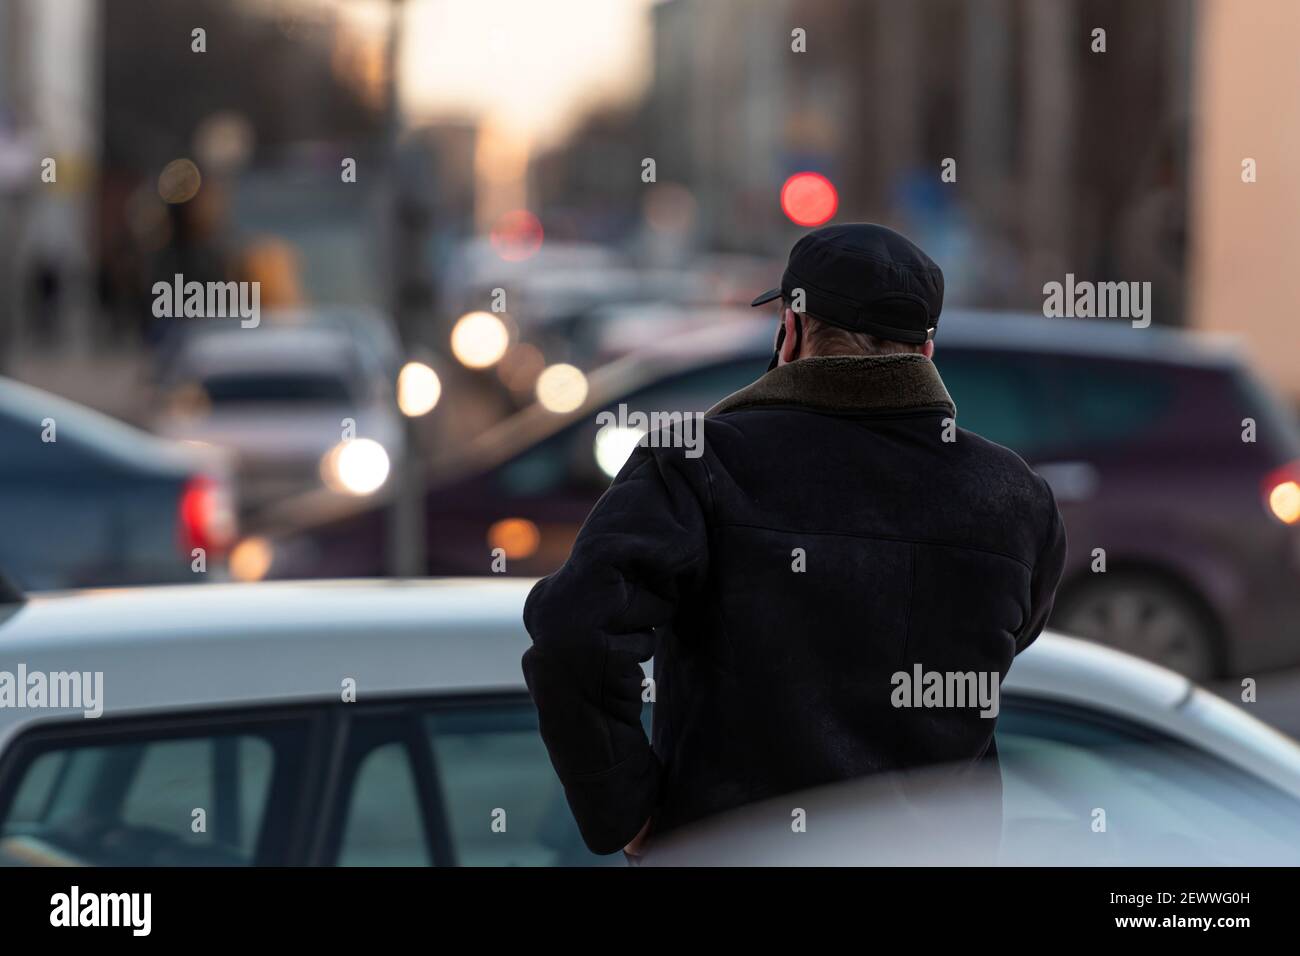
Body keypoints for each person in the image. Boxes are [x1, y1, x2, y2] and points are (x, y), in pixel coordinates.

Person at [521, 222, 1067, 858]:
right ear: (925, 351)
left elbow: (572, 632)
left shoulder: (700, 462)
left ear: (794, 328)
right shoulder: (1015, 497)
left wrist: (627, 811)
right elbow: (1014, 637)